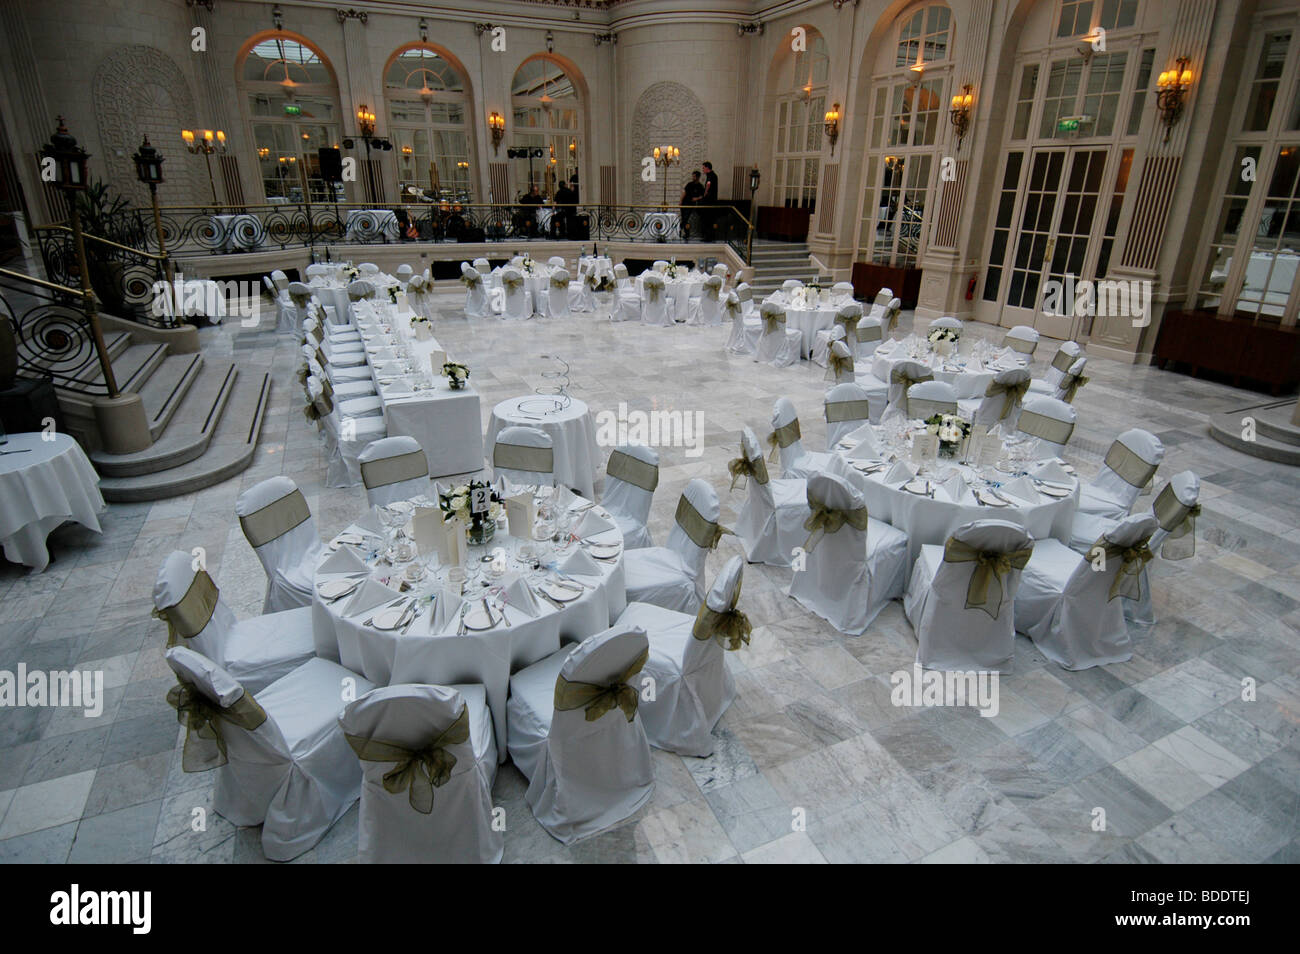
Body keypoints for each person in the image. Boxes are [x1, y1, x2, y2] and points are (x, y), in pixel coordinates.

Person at [680, 170, 704, 240]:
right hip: (685, 203)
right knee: (684, 218)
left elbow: (702, 196)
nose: (693, 178)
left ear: (698, 177)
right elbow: (684, 192)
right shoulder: (689, 184)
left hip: (691, 204)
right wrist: (681, 201)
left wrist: (696, 199)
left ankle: (682, 231)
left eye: (694, 176)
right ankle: (684, 232)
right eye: (692, 176)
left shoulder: (700, 186)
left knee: (686, 219)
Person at [700, 160, 720, 241]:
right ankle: (709, 236)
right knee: (709, 220)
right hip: (711, 200)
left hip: (709, 201)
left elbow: (708, 184)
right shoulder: (712, 175)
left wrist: (705, 193)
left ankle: (708, 237)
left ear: (707, 168)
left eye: (703, 168)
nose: (703, 169)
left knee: (708, 219)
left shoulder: (711, 175)